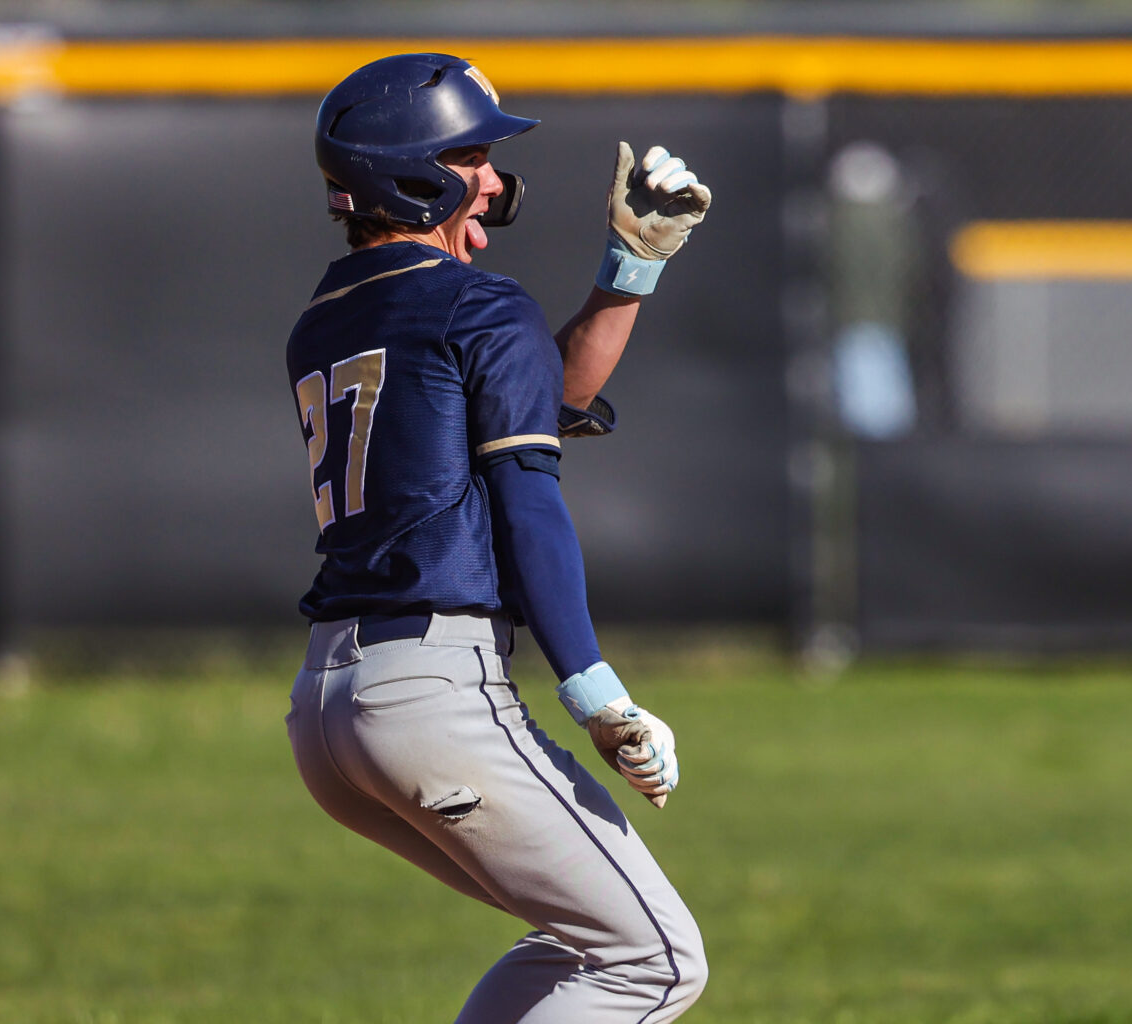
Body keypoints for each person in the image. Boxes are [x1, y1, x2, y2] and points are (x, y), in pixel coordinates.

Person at [282, 53, 712, 1023]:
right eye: (471, 155)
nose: (492, 178)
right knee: (657, 959)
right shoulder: (481, 304)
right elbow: (526, 495)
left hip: (330, 707)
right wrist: (595, 689)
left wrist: (631, 269)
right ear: (414, 173)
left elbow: (537, 398)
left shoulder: (326, 316)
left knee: (586, 936)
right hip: (432, 691)